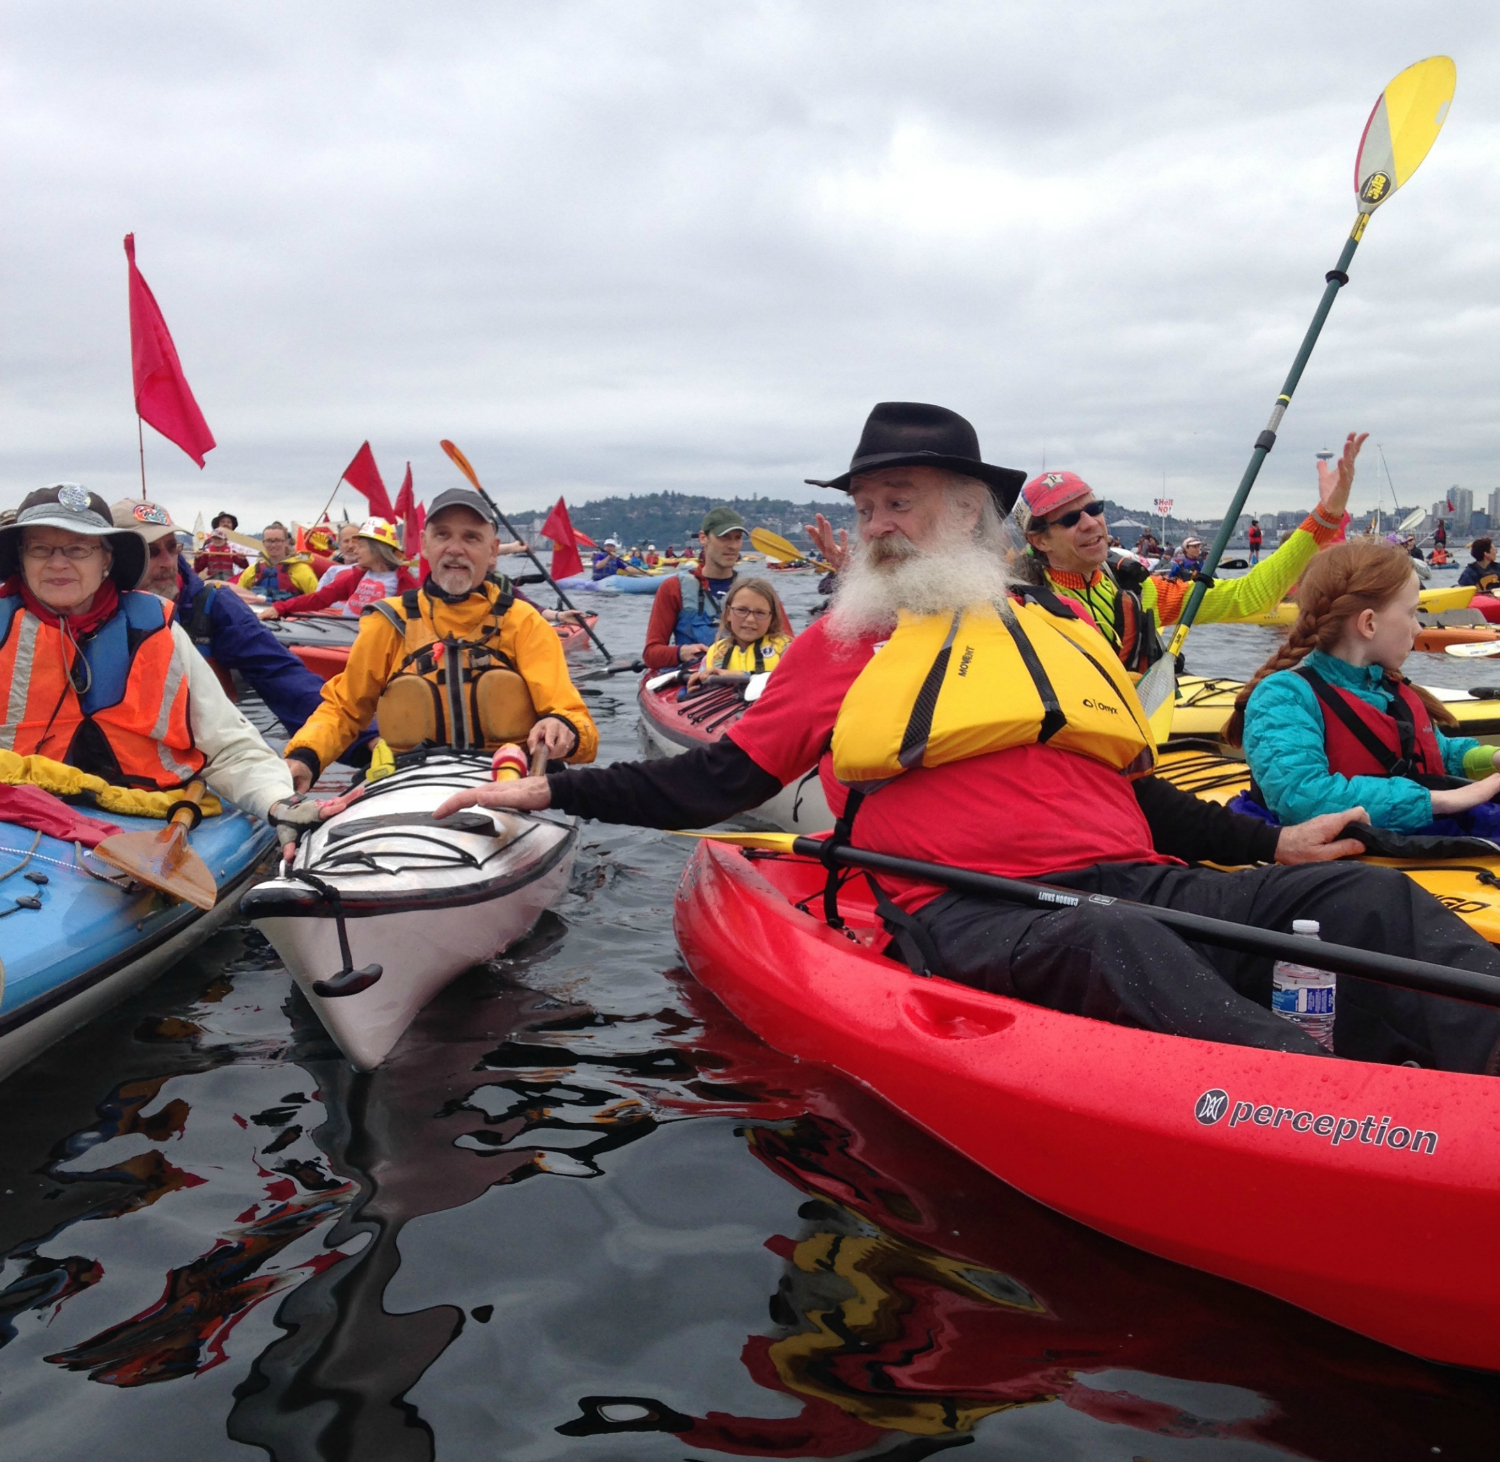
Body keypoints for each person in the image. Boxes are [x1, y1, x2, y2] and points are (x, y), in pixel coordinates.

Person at [433, 402, 1500, 1073]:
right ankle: (1347, 1114)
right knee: (1115, 942)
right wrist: (555, 792)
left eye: (899, 502)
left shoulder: (1054, 628)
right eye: (867, 509)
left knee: (1360, 899)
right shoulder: (841, 648)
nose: (877, 526)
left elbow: (1134, 796)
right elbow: (714, 782)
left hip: (1129, 878)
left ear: (971, 518)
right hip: (971, 911)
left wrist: (1272, 845)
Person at [0, 485, 294, 821]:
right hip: (14, 815)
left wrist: (277, 802)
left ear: (106, 559)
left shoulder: (158, 626)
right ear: (21, 558)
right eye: (40, 549)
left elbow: (230, 747)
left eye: (78, 549)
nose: (57, 563)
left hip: (150, 813)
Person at [281, 485, 598, 794]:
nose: (455, 549)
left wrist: (564, 727)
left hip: (508, 781)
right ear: (424, 544)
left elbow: (575, 720)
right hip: (409, 781)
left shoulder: (524, 622)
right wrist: (305, 755)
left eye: (471, 537)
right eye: (442, 535)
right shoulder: (389, 622)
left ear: (492, 551)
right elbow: (344, 710)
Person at [1015, 437, 1363, 674]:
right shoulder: (1015, 607)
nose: (1091, 523)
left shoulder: (1138, 589)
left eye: (1094, 509)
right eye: (1070, 519)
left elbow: (1249, 596)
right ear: (1040, 540)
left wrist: (1326, 515)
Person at [1228, 539, 1500, 836]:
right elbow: (1302, 797)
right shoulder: (1283, 697)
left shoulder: (1388, 687)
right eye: (1412, 613)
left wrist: (1492, 759)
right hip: (1348, 853)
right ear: (1368, 624)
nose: (1418, 628)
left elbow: (1438, 754)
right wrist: (1444, 800)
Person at [111, 498, 335, 744]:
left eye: (173, 547)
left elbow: (279, 672)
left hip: (204, 753)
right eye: (151, 552)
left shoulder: (213, 605)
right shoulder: (90, 612)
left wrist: (341, 729)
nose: (167, 562)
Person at [644, 506, 786, 670]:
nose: (733, 546)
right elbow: (650, 654)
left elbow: (788, 643)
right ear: (703, 538)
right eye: (724, 538)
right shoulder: (673, 588)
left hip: (748, 674)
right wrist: (680, 652)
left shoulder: (759, 590)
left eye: (737, 538)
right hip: (693, 674)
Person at [261, 519, 419, 620]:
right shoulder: (357, 577)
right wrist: (280, 607)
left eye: (361, 546)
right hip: (344, 640)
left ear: (376, 550)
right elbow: (320, 598)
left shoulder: (405, 582)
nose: (355, 550)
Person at [689, 577, 792, 683]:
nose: (750, 619)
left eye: (760, 613)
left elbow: (793, 684)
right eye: (741, 610)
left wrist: (741, 676)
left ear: (772, 618)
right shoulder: (715, 653)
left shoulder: (786, 650)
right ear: (728, 613)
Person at [239, 522, 319, 601]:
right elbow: (237, 596)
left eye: (277, 540)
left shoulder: (302, 570)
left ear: (287, 543)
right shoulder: (253, 570)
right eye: (269, 541)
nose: (273, 545)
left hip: (290, 609)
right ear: (263, 543)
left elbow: (317, 599)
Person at [316, 521, 363, 588]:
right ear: (340, 545)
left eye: (355, 541)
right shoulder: (331, 573)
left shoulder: (373, 571)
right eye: (346, 541)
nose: (350, 546)